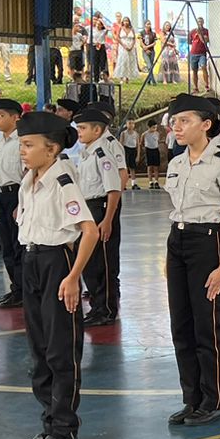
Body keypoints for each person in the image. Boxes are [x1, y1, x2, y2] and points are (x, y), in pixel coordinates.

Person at [12, 112, 100, 439]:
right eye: (21, 144)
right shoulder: (30, 179)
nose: (23, 150)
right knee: (39, 349)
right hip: (32, 261)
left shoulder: (63, 179)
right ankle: (48, 423)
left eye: (29, 145)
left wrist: (73, 276)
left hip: (56, 263)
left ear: (51, 150)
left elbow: (88, 231)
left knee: (60, 348)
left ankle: (64, 428)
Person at [162, 94, 220, 426]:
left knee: (207, 324)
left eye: (185, 121)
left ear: (206, 124)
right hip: (177, 240)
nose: (177, 127)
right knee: (180, 324)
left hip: (207, 241)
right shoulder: (176, 163)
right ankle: (191, 398)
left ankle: (212, 399)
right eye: (175, 121)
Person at [74, 109, 124, 326]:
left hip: (100, 207)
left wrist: (108, 219)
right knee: (90, 263)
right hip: (88, 208)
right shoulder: (87, 153)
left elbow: (113, 189)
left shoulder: (103, 153)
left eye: (83, 128)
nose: (79, 132)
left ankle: (106, 309)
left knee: (103, 261)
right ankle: (97, 306)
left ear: (97, 130)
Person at [0, 98, 25, 309]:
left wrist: (21, 205)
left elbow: (27, 176)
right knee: (6, 246)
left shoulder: (21, 142)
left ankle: (23, 289)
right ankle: (15, 288)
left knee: (18, 244)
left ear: (15, 117)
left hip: (16, 194)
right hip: (1, 196)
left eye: (1, 115)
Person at [143, 121, 163, 189]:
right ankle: (150, 182)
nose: (155, 129)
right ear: (149, 127)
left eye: (155, 127)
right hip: (148, 150)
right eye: (153, 127)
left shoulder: (157, 133)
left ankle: (156, 181)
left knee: (156, 167)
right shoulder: (145, 134)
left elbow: (158, 141)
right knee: (149, 166)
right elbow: (141, 142)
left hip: (155, 149)